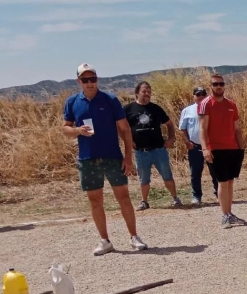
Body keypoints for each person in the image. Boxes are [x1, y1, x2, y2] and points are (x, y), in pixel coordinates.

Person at [62, 63, 148, 255]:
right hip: (87, 158)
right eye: (85, 80)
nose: (90, 83)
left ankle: (134, 236)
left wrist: (127, 157)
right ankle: (105, 240)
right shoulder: (72, 102)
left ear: (97, 80)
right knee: (95, 200)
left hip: (112, 157)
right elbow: (65, 128)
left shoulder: (110, 100)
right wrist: (77, 131)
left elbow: (125, 129)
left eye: (93, 79)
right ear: (79, 81)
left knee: (123, 197)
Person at [199, 73, 247, 228]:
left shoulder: (231, 105)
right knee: (222, 182)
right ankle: (224, 215)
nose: (219, 87)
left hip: (232, 148)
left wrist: (241, 147)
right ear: (210, 86)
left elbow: (237, 128)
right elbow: (203, 128)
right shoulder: (206, 104)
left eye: (221, 84)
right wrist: (205, 149)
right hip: (215, 149)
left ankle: (230, 213)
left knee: (230, 182)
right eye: (215, 84)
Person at [125, 81, 180, 210]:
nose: (147, 94)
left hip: (159, 150)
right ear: (137, 93)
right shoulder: (128, 110)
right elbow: (120, 127)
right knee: (144, 180)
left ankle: (175, 198)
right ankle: (144, 201)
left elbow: (170, 124)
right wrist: (127, 140)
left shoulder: (156, 108)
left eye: (149, 92)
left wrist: (171, 138)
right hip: (141, 151)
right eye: (144, 91)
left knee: (167, 176)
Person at [178, 86, 211, 205]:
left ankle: (219, 194)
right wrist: (187, 142)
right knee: (195, 173)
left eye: (203, 94)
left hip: (211, 146)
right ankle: (196, 196)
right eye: (198, 94)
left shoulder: (212, 108)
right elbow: (182, 128)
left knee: (216, 172)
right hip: (195, 146)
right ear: (193, 97)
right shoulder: (187, 111)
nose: (201, 96)